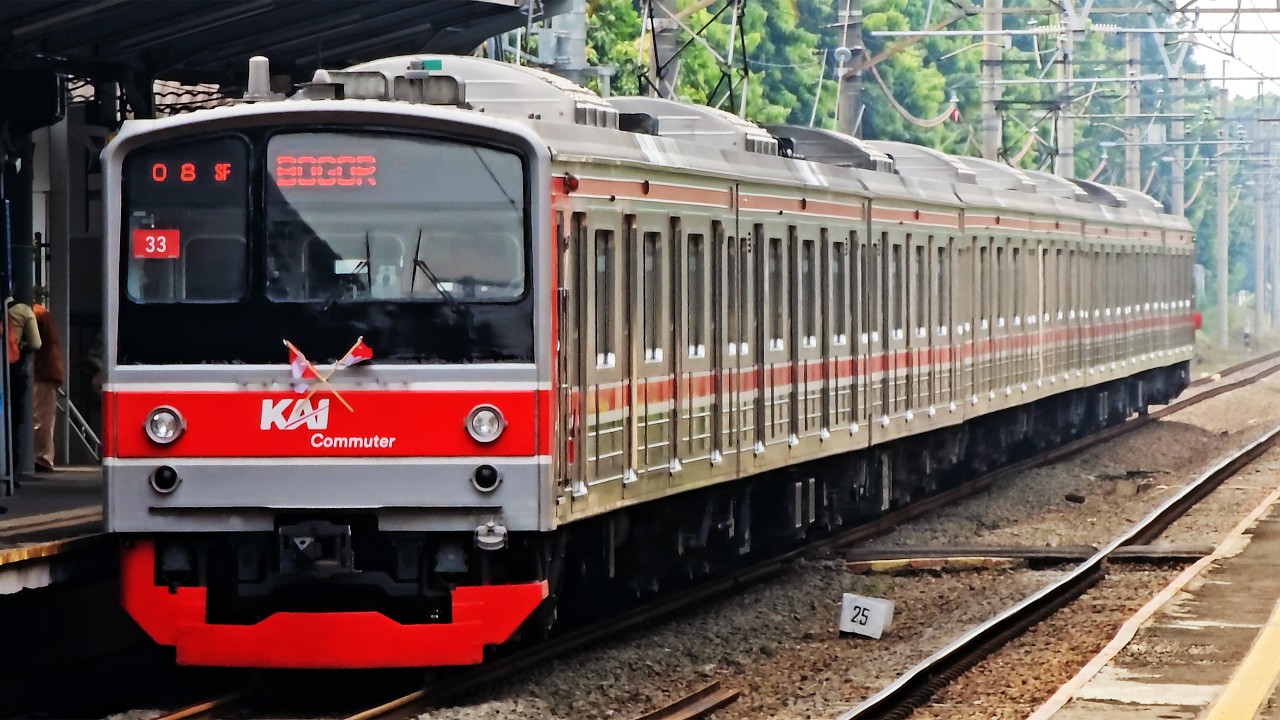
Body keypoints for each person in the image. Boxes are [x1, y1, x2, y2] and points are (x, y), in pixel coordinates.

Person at [6, 297, 41, 479]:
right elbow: (36, 343)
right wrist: (20, 350)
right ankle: (11, 471)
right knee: (13, 422)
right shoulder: (22, 311)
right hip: (13, 371)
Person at [31, 299, 62, 472]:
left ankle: (42, 458)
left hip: (41, 373)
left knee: (40, 417)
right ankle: (42, 456)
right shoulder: (41, 313)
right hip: (47, 372)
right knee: (44, 416)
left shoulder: (36, 315)